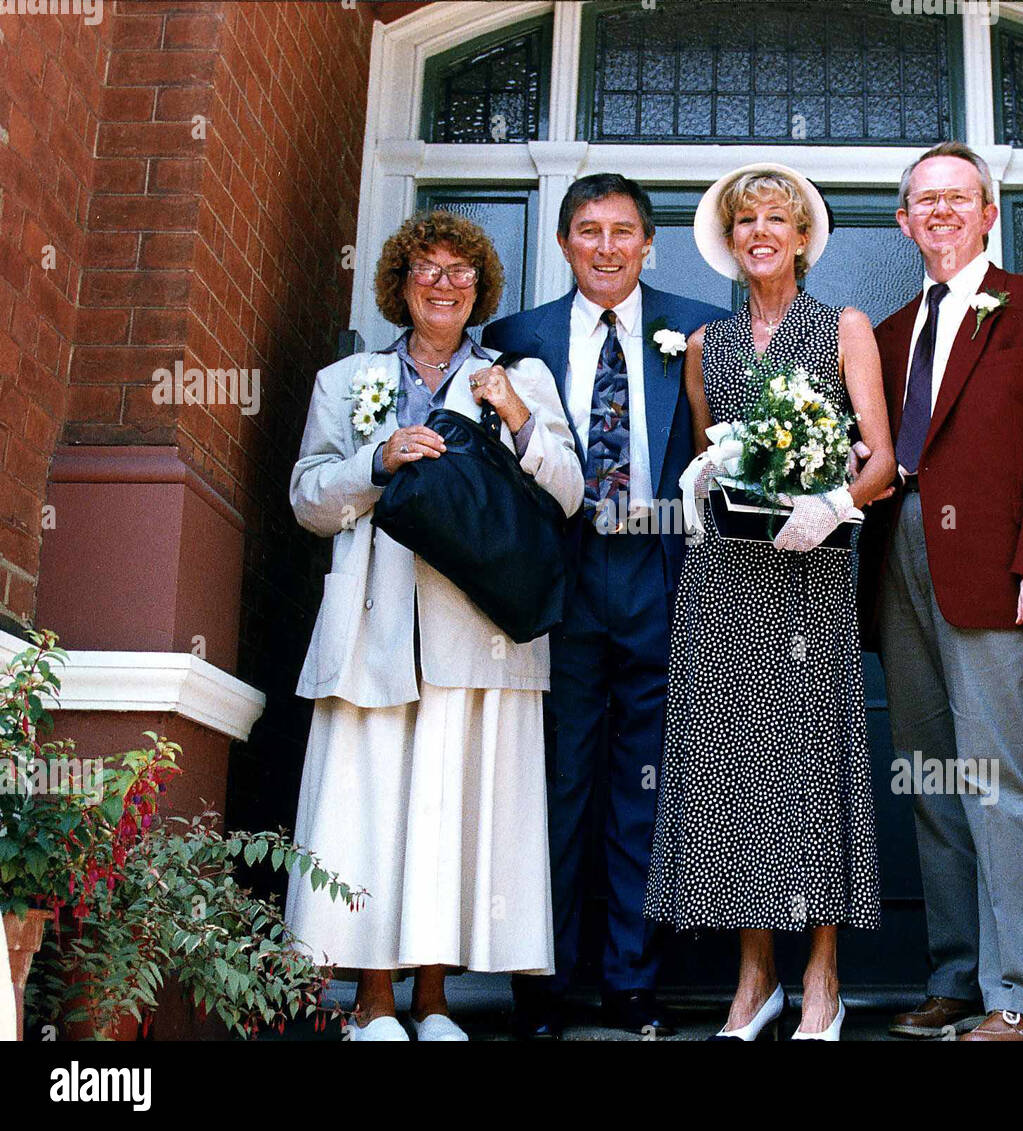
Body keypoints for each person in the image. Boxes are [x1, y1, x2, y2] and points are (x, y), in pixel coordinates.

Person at [286, 211, 583, 1041]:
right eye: (427, 268)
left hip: (475, 626)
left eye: (460, 271)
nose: (444, 282)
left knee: (452, 809)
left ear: (479, 287)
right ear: (400, 283)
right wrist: (377, 461)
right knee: (372, 806)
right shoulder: (346, 382)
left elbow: (565, 493)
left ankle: (435, 998)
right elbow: (308, 501)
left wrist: (518, 416)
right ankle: (373, 999)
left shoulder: (515, 374)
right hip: (372, 624)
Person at [643, 163, 897, 1041]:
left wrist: (833, 502)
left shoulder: (844, 328)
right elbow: (716, 445)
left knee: (810, 767)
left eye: (775, 219)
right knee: (735, 772)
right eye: (744, 219)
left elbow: (884, 461)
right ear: (730, 238)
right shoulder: (707, 344)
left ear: (801, 237)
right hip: (727, 580)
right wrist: (704, 478)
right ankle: (755, 980)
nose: (759, 231)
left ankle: (822, 975)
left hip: (811, 575)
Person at [873, 142, 1023, 1042]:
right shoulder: (892, 332)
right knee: (936, 780)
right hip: (899, 570)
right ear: (903, 221)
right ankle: (957, 979)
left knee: (1006, 781)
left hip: (1002, 572)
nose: (939, 212)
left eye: (957, 198)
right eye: (922, 201)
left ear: (987, 213)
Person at [483, 174, 729, 1038]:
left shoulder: (699, 327)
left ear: (648, 242)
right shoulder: (515, 337)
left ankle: (631, 980)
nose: (606, 246)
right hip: (560, 581)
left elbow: (719, 457)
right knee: (555, 786)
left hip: (661, 578)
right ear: (562, 243)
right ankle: (541, 982)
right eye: (588, 230)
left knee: (643, 791)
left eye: (623, 230)